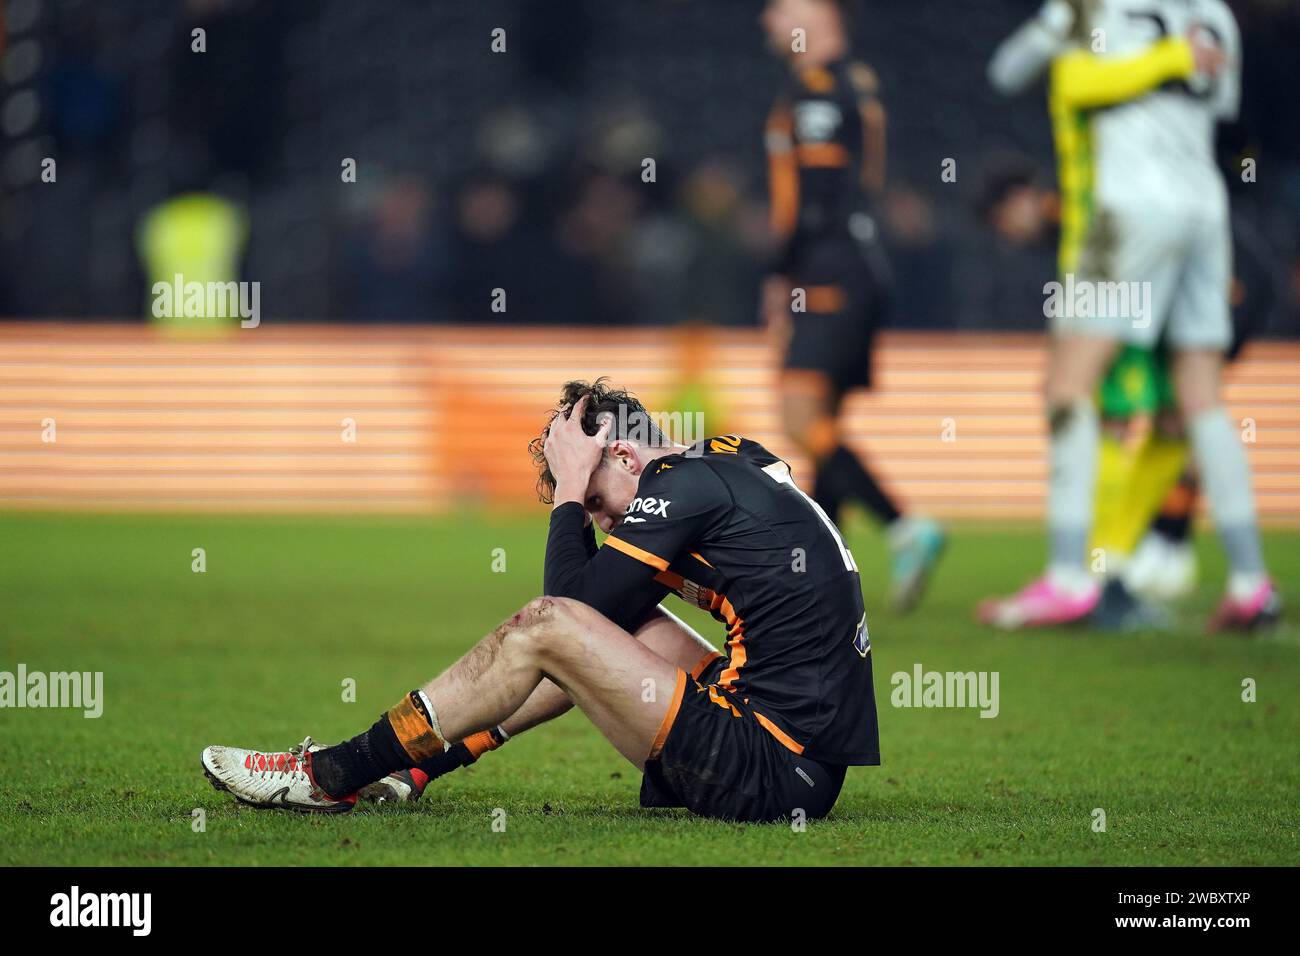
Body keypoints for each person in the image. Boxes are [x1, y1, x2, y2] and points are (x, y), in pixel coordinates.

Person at [202, 380, 880, 823]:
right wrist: (583, 493)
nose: (605, 522)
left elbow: (566, 609)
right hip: (803, 763)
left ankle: (330, 773)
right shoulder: (727, 459)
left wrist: (566, 492)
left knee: (550, 628)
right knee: (618, 628)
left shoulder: (677, 487)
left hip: (767, 765)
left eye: (596, 500)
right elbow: (601, 619)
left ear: (621, 454)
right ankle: (414, 766)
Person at [979, 0, 1279, 632]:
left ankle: (1068, 578)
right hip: (1204, 207)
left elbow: (1060, 80)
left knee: (1067, 387)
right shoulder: (1218, 16)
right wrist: (1171, 61)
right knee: (1201, 395)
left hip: (1132, 207)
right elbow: (1219, 110)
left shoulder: (1105, 7)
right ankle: (1252, 582)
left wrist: (1073, 31)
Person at [759, 0, 945, 612]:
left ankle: (903, 525)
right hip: (862, 266)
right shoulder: (857, 85)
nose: (767, 19)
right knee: (824, 426)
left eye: (780, 9)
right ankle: (823, 577)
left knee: (797, 417)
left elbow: (811, 202)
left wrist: (779, 272)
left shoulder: (814, 94)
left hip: (829, 270)